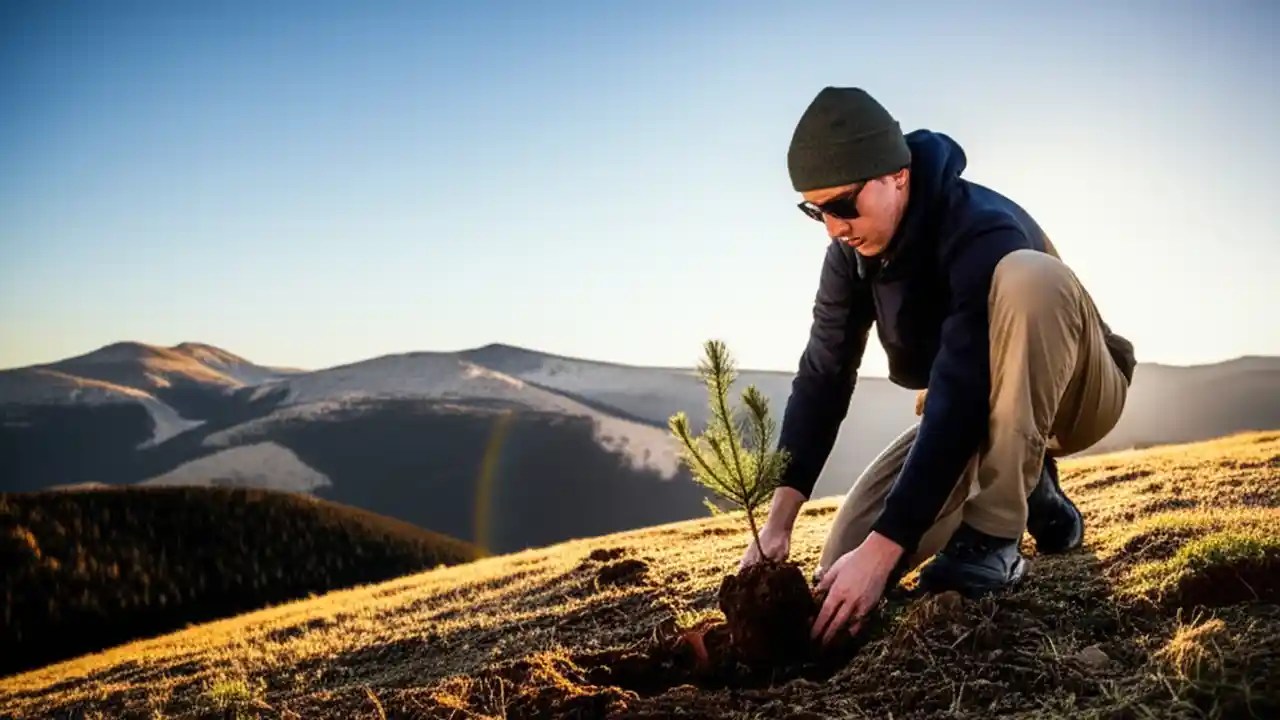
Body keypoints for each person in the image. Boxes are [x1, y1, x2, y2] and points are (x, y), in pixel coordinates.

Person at [738, 87, 1136, 647]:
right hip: (974, 402)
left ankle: (996, 533)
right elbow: (824, 376)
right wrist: (779, 524)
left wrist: (885, 550)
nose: (833, 227)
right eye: (815, 210)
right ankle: (1035, 487)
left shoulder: (981, 227)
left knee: (1029, 279)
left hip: (1079, 393)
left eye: (843, 205)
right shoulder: (850, 257)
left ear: (896, 175)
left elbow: (967, 384)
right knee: (844, 559)